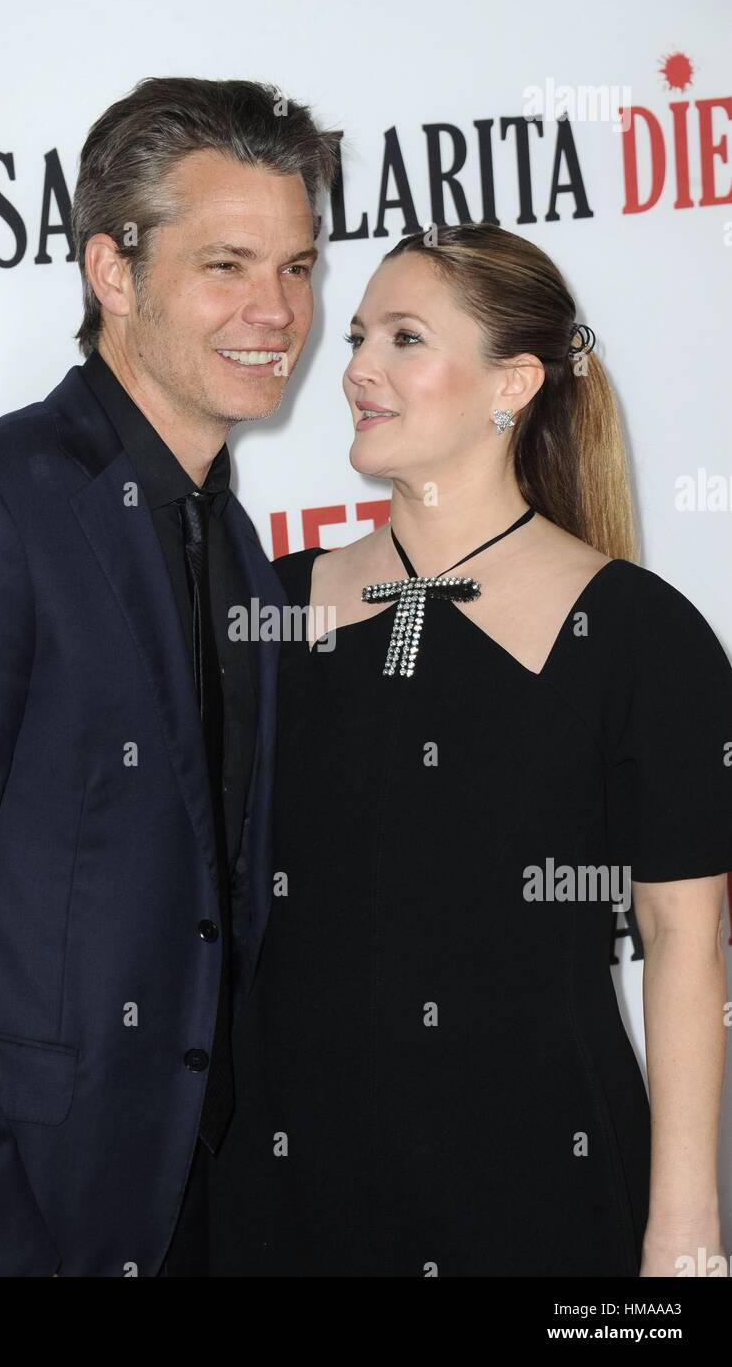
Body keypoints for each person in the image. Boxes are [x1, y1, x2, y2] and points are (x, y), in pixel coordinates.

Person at [0, 76, 338, 1276]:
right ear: (112, 273)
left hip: (187, 1210)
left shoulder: (235, 544)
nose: (276, 311)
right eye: (226, 264)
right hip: (8, 1219)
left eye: (299, 267)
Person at [206, 222, 732, 1277]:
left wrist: (682, 1231)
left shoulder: (637, 633)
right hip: (284, 1186)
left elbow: (686, 942)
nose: (354, 368)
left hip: (538, 1184)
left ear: (514, 383)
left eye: (404, 338)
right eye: (357, 336)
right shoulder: (265, 603)